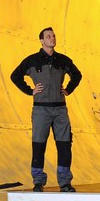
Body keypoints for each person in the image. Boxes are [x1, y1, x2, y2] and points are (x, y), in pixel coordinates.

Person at [10, 27, 82, 192]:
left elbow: (77, 75)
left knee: (64, 145)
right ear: (42, 41)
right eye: (48, 36)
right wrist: (30, 91)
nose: (52, 38)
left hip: (60, 111)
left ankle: (64, 182)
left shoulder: (63, 60)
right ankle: (38, 180)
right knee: (39, 144)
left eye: (54, 36)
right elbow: (15, 76)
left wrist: (68, 90)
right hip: (41, 110)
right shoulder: (32, 61)